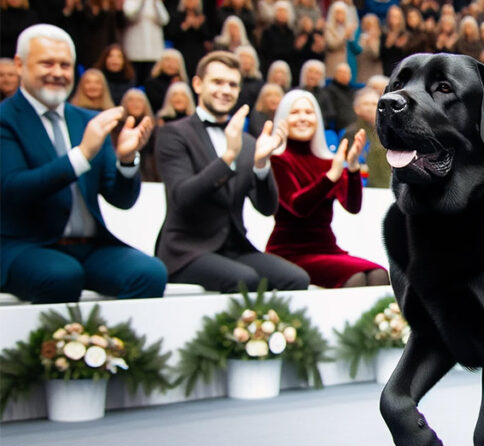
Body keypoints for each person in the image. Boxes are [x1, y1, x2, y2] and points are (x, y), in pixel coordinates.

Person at [0, 24, 166, 303]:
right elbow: (14, 189)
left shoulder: (87, 120)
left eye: (65, 65)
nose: (57, 72)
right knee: (62, 275)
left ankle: (116, 346)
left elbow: (121, 200)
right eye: (47, 63)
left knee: (149, 273)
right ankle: (60, 348)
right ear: (20, 64)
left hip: (90, 246)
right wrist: (81, 156)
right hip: (24, 245)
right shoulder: (6, 119)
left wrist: (126, 160)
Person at [154, 51, 309, 293]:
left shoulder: (247, 142)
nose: (225, 90)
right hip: (185, 251)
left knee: (297, 279)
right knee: (246, 280)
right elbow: (182, 197)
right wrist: (228, 158)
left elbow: (267, 208)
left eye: (232, 84)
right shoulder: (173, 134)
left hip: (235, 249)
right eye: (217, 82)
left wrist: (261, 166)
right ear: (197, 84)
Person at [265, 90, 388, 287]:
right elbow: (298, 207)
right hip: (290, 252)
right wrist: (331, 176)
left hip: (327, 248)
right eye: (295, 112)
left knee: (380, 274)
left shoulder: (328, 162)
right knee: (354, 278)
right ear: (283, 118)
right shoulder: (278, 159)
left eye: (309, 112)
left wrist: (353, 166)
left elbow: (352, 206)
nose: (303, 118)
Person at [347, 87, 386, 188]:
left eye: (374, 104)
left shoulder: (388, 131)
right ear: (357, 109)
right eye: (366, 104)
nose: (371, 107)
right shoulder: (351, 133)